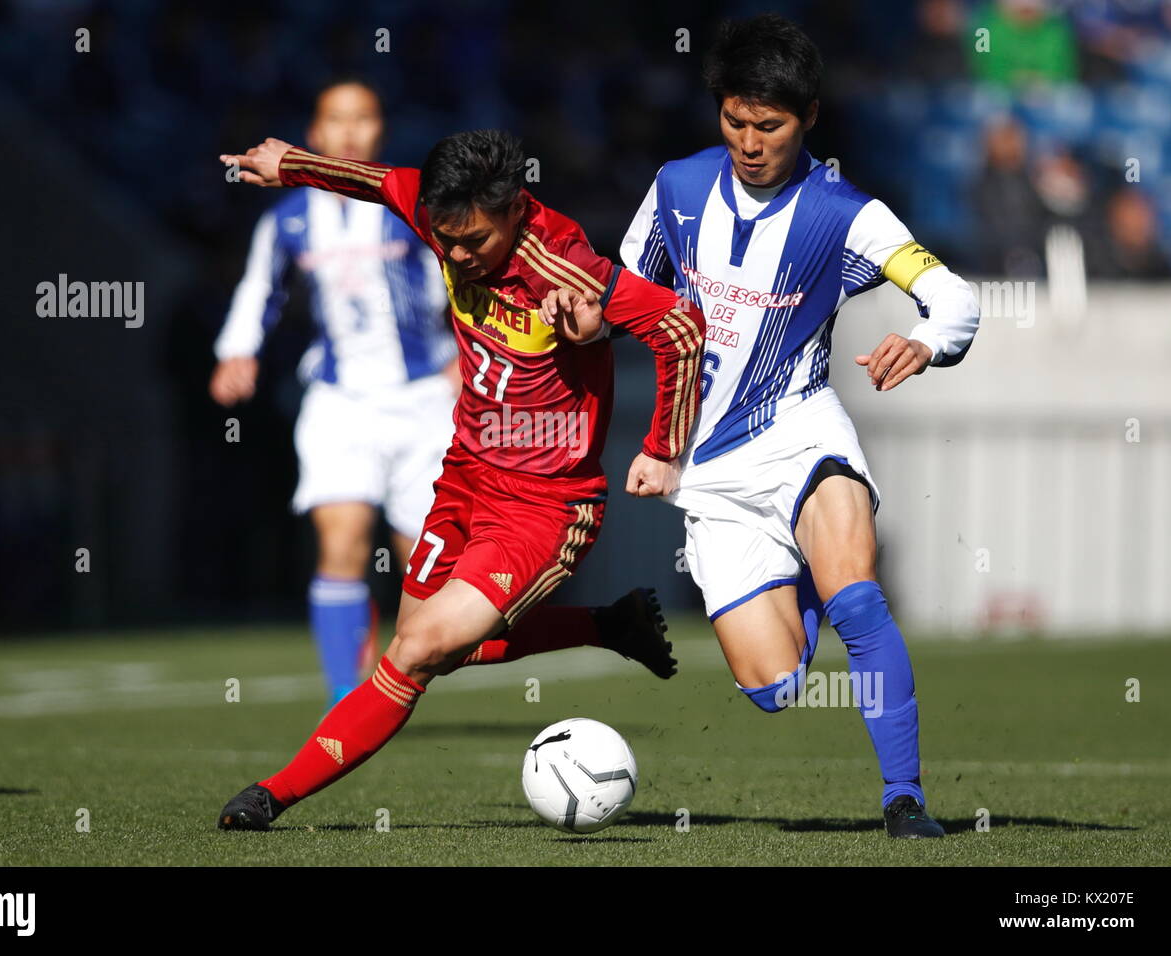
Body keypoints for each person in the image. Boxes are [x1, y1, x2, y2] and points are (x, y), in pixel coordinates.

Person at [213, 126, 705, 830]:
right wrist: (288, 164)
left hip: (546, 506)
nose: (459, 256)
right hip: (466, 476)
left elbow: (680, 327)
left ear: (513, 209)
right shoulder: (439, 213)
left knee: (417, 652)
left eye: (475, 240)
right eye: (447, 241)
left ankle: (270, 796)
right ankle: (608, 624)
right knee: (426, 649)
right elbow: (376, 180)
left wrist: (663, 448)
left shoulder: (563, 263)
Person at [613, 15, 980, 837]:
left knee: (858, 598)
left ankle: (904, 798)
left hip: (803, 435)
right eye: (735, 121)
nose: (749, 141)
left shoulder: (846, 211)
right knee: (775, 687)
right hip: (712, 475)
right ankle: (805, 579)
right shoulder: (675, 187)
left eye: (769, 125)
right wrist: (579, 319)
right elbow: (620, 294)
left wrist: (926, 341)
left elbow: (954, 297)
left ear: (808, 116)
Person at [210, 79, 457, 705]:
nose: (349, 131)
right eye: (336, 120)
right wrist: (237, 352)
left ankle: (406, 675)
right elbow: (258, 289)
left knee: (425, 565)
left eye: (363, 118)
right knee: (341, 540)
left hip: (425, 397)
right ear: (315, 134)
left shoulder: (412, 202)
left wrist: (468, 355)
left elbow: (464, 273)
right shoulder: (290, 217)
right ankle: (349, 695)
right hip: (339, 401)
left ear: (381, 130)